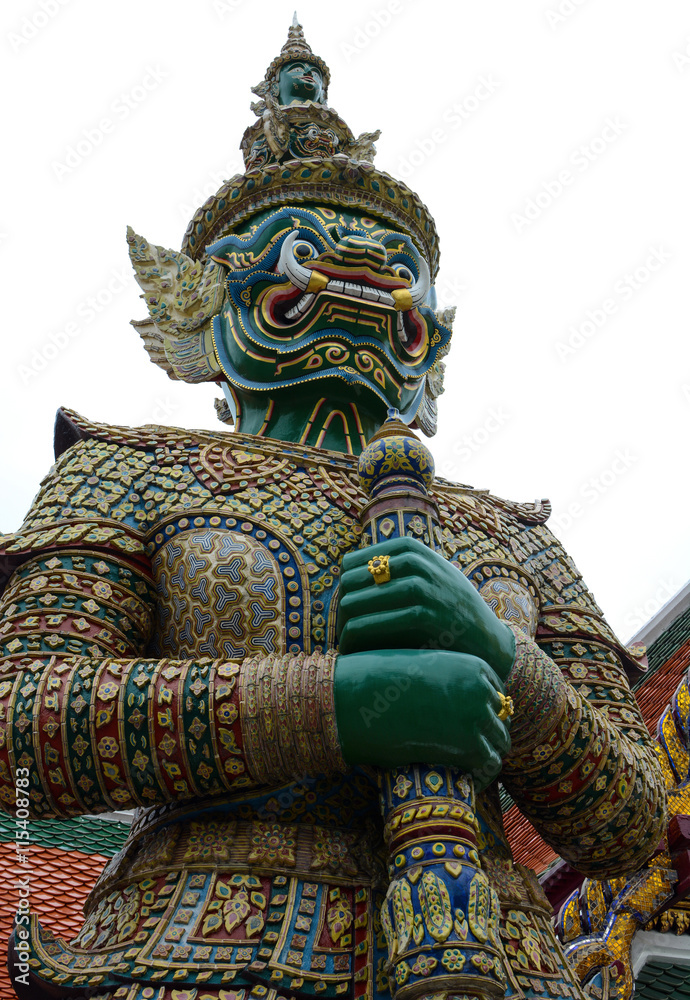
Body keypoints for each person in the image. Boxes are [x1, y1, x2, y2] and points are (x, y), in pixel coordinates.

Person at [0, 18, 664, 1000]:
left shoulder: (512, 535)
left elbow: (631, 820)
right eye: (304, 244)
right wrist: (338, 706)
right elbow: (21, 729)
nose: (357, 267)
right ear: (205, 304)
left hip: (492, 952)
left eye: (391, 257)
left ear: (428, 327)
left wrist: (502, 657)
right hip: (196, 942)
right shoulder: (122, 471)